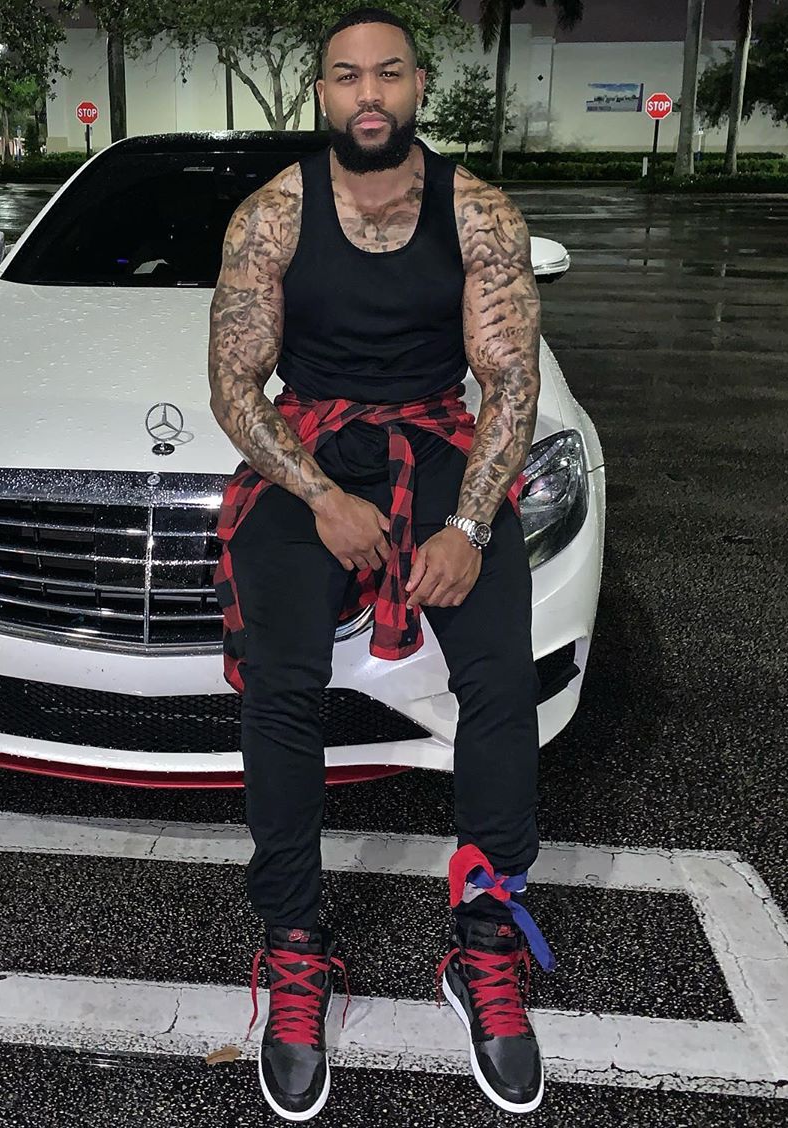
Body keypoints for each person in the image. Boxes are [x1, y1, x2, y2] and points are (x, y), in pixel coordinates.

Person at [208, 6, 556, 1121]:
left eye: (389, 74)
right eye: (348, 76)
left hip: (440, 448)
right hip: (312, 451)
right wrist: (320, 497)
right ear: (322, 94)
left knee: (500, 677)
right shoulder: (272, 216)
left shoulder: (478, 212)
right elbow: (234, 386)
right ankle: (295, 945)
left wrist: (469, 527)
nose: (369, 94)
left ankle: (484, 941)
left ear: (417, 87)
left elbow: (510, 383)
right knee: (281, 684)